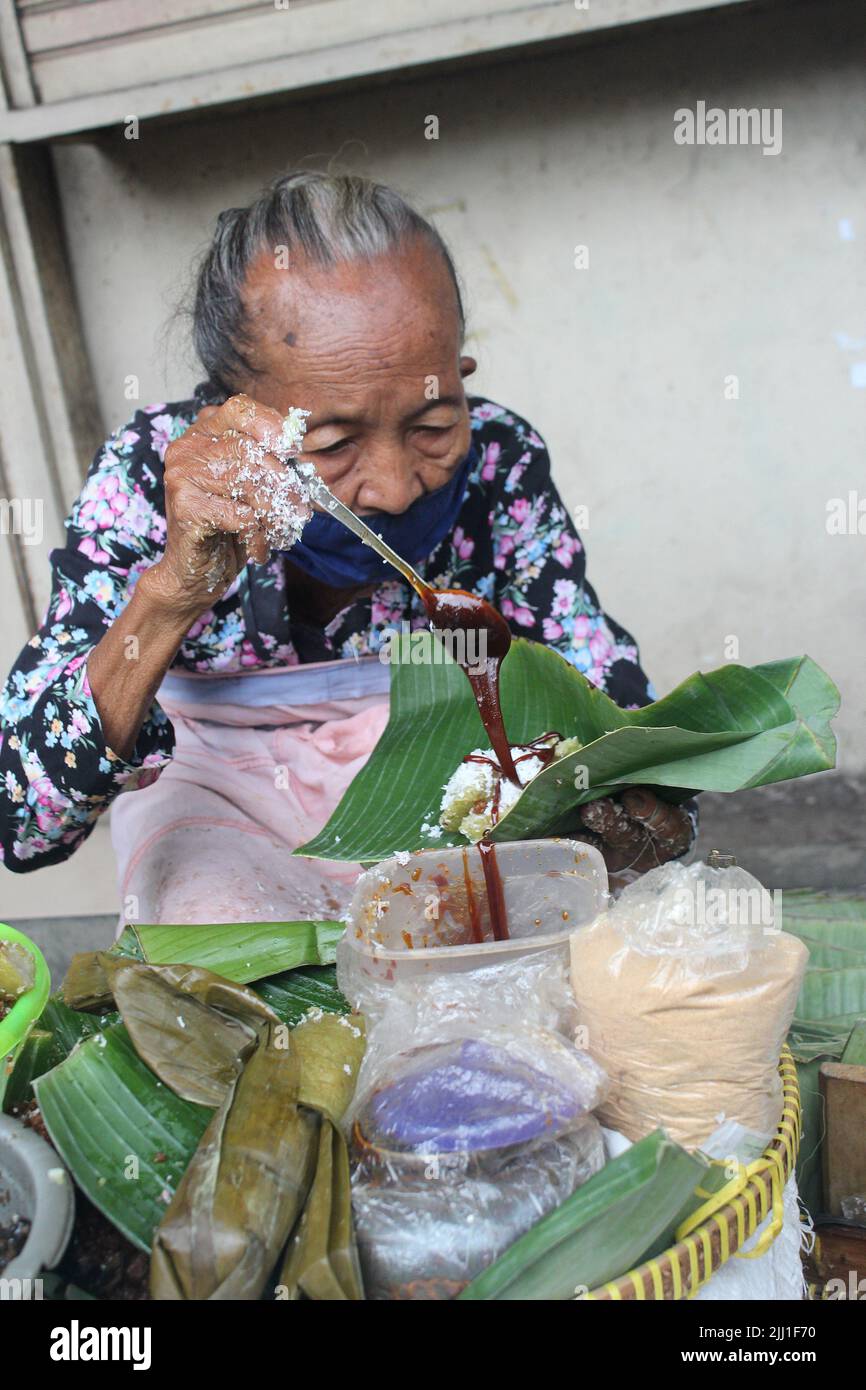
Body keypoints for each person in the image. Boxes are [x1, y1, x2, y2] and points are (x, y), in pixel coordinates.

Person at [0, 171, 693, 924]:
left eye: (432, 426)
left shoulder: (500, 459)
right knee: (220, 933)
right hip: (216, 810)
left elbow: (602, 692)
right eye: (332, 442)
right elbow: (24, 822)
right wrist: (172, 594)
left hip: (435, 794)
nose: (394, 489)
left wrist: (642, 806)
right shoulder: (148, 476)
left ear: (462, 379)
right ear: (232, 414)